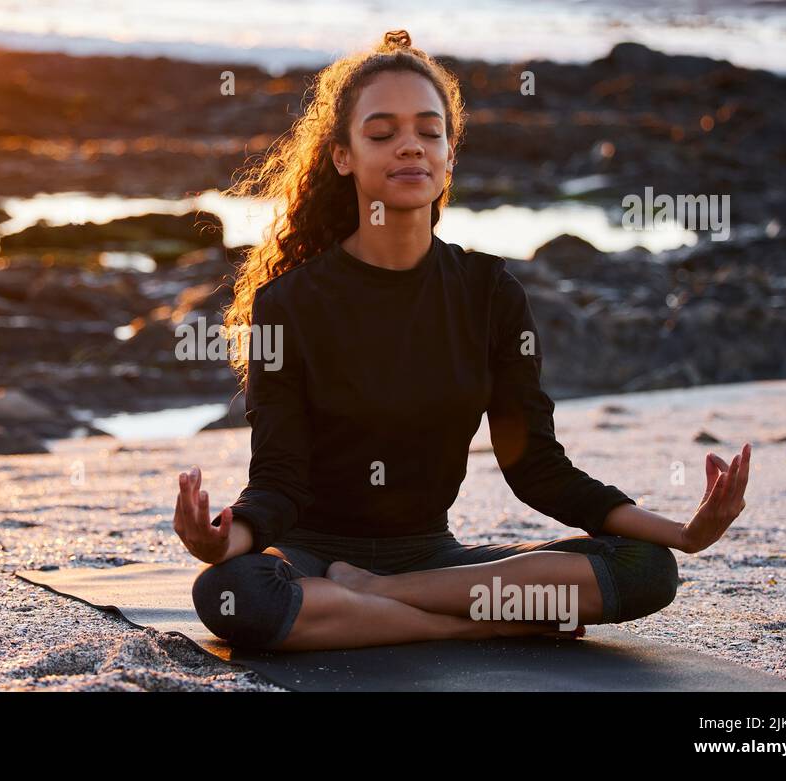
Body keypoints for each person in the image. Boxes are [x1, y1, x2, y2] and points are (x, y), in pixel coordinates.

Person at [173, 29, 751, 652]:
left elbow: (537, 469)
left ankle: (378, 599)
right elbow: (279, 483)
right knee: (235, 592)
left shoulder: (488, 291)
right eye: (382, 133)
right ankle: (477, 621)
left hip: (433, 559)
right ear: (342, 156)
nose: (410, 147)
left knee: (645, 568)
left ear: (449, 154)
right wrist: (222, 539)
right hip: (313, 558)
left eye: (429, 131)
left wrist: (682, 534)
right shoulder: (288, 304)